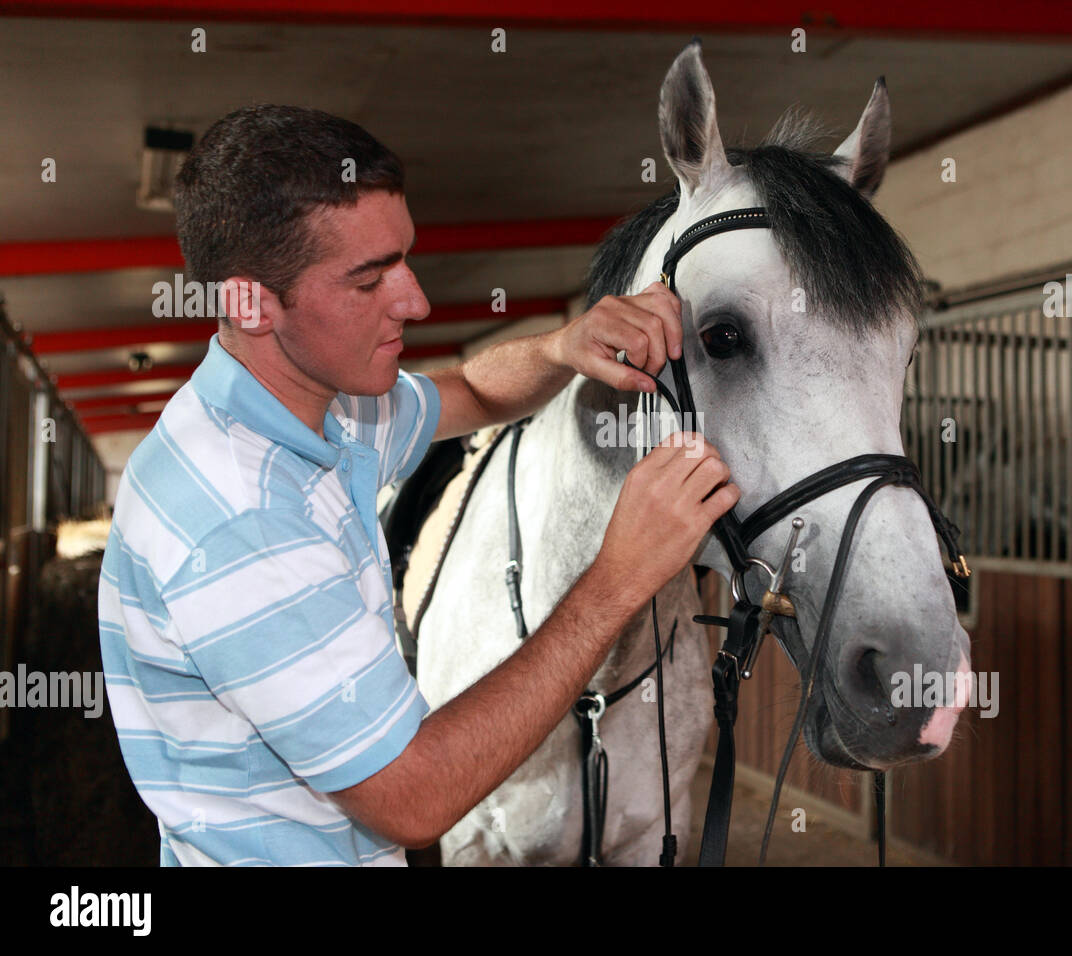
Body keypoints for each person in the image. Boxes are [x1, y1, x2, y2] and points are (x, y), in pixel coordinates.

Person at [97, 104, 739, 866]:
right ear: (250, 302)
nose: (415, 300)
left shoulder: (321, 410)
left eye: (402, 258)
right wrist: (618, 580)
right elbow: (412, 799)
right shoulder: (239, 517)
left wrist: (567, 346)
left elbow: (470, 386)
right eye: (369, 280)